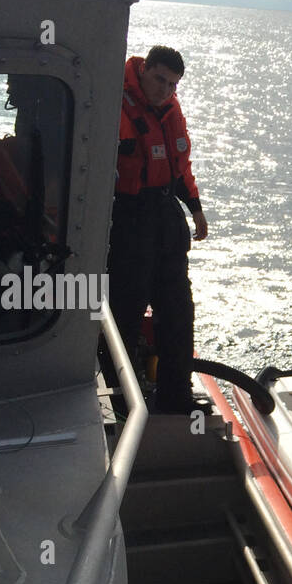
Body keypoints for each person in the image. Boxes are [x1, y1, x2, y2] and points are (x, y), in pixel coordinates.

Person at [107, 46, 207, 414]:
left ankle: (175, 394)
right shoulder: (111, 101)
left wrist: (195, 209)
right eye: (160, 79)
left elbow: (179, 166)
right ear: (143, 70)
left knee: (178, 309)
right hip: (127, 220)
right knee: (125, 310)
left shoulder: (170, 109)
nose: (165, 90)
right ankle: (119, 398)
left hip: (165, 216)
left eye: (173, 85)